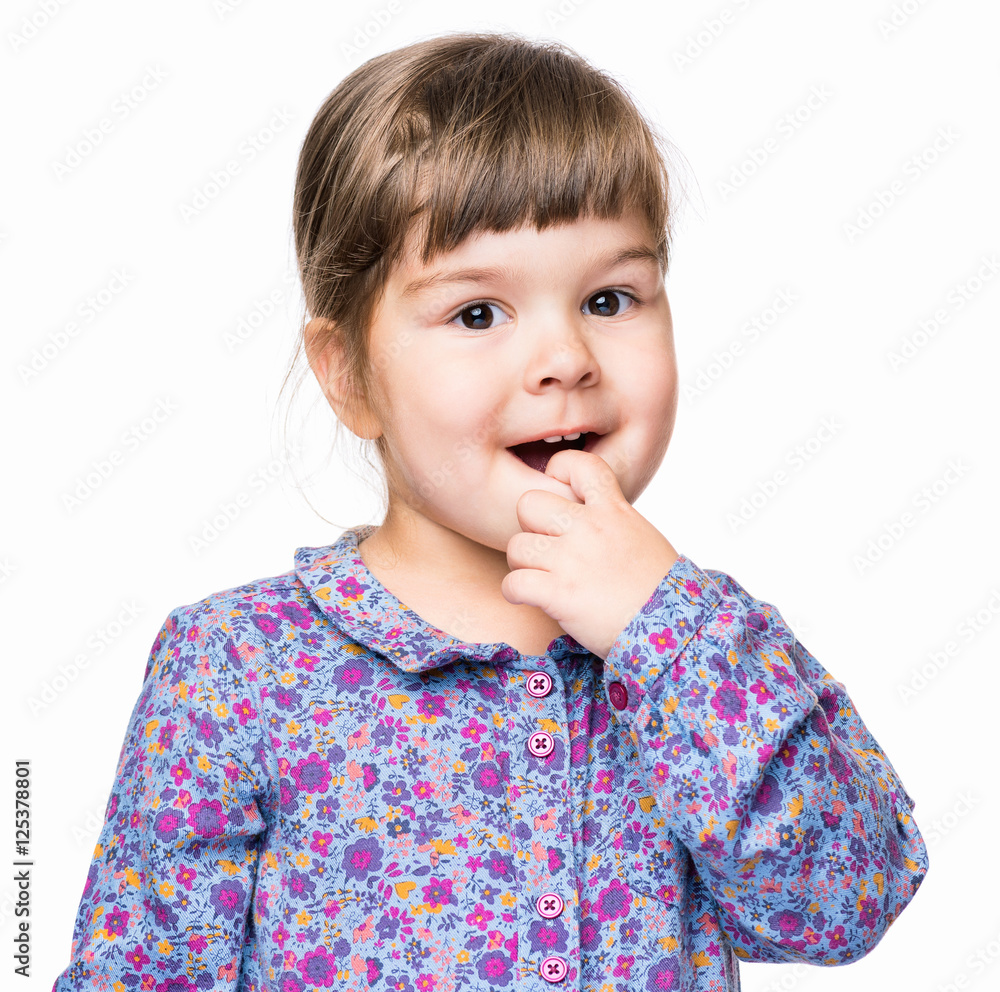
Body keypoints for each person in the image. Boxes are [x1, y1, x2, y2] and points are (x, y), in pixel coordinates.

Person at [51, 30, 928, 992]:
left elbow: (845, 907)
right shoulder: (235, 670)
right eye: (478, 314)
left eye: (610, 297)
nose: (565, 359)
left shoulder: (705, 647)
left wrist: (665, 630)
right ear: (348, 375)